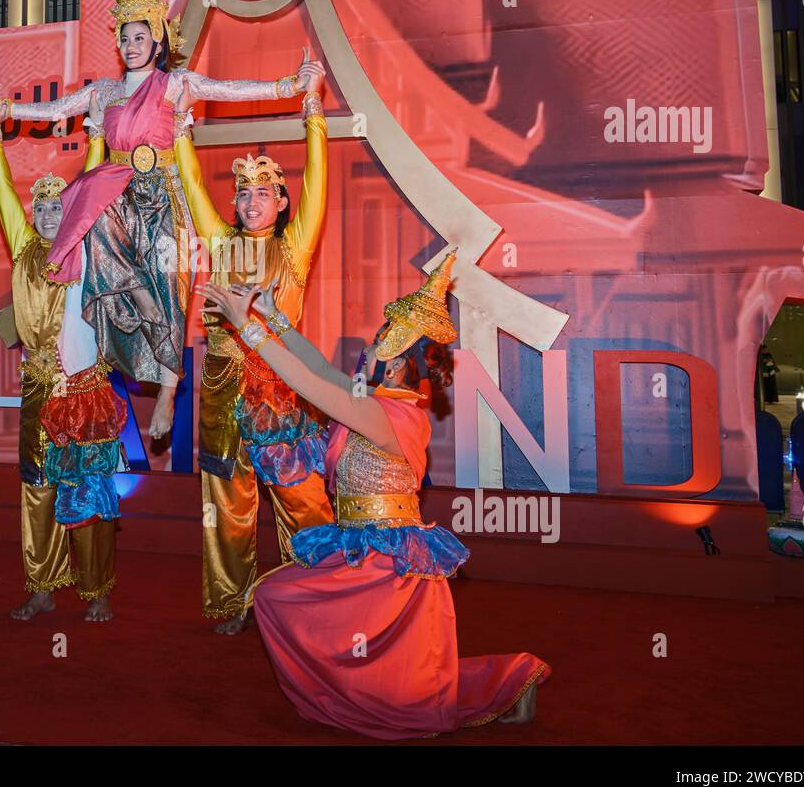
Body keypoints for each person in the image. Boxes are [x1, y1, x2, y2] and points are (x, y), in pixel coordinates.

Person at [0, 0, 322, 440]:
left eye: (140, 37)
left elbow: (232, 91)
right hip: (117, 192)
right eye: (124, 38)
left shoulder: (177, 84)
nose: (130, 45)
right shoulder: (106, 91)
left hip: (164, 197)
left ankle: (167, 389)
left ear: (158, 39)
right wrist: (7, 110)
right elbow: (57, 110)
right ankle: (120, 319)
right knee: (90, 236)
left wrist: (291, 86)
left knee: (172, 285)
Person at [201, 254, 550, 739]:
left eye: (379, 341)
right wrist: (271, 314)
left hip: (388, 564)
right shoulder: (373, 400)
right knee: (281, 600)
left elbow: (309, 386)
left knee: (391, 677)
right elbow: (318, 367)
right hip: (359, 546)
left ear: (400, 361)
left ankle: (502, 682)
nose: (368, 347)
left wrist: (248, 330)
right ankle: (359, 692)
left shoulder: (393, 416)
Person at [174, 54, 333, 634]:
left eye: (263, 193)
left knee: (301, 502)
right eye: (242, 193)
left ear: (283, 203)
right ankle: (232, 602)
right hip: (220, 390)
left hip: (277, 391)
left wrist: (311, 107)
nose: (249, 202)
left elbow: (317, 183)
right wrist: (181, 130)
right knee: (226, 505)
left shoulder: (292, 250)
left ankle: (314, 596)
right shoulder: (219, 244)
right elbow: (192, 189)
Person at [0, 104, 128, 623]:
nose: (47, 215)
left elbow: (89, 185)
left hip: (84, 389)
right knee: (37, 489)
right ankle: (42, 586)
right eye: (39, 208)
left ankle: (97, 590)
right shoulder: (23, 250)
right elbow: (3, 197)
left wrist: (95, 138)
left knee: (89, 495)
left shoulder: (81, 250)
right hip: (39, 390)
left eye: (56, 208)